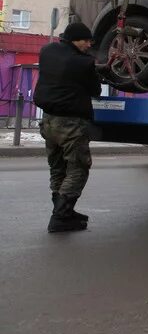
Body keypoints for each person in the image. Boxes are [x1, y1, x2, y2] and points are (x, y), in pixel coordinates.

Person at [34, 22, 102, 233]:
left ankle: (64, 212)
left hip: (49, 121)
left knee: (57, 168)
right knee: (78, 169)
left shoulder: (47, 51)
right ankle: (60, 217)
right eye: (86, 41)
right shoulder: (84, 63)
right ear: (75, 40)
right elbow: (96, 90)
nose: (89, 45)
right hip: (71, 124)